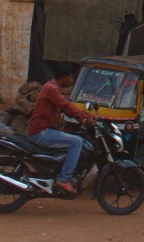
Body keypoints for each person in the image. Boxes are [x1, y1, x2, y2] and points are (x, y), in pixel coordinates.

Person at [27, 63, 96, 195]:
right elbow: (66, 106)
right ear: (63, 77)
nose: (71, 80)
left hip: (44, 130)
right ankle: (64, 179)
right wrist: (85, 118)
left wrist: (83, 117)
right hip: (41, 132)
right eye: (70, 77)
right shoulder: (51, 89)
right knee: (76, 142)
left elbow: (67, 107)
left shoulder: (52, 88)